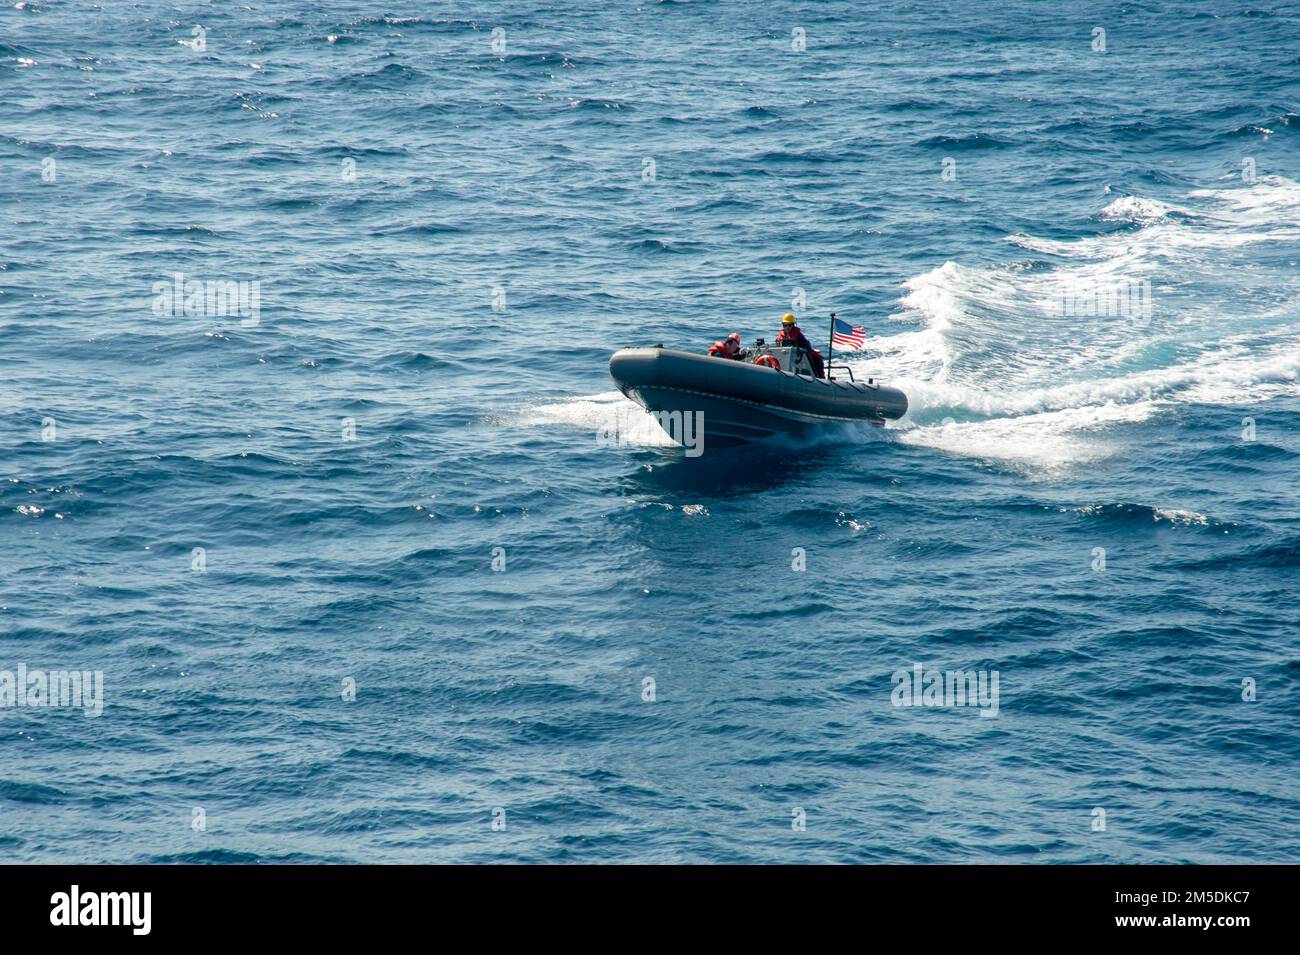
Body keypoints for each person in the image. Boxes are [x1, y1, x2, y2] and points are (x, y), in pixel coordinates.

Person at [775, 313, 824, 378]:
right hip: (784, 358)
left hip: (798, 357)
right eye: (785, 325)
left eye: (789, 325)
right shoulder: (780, 337)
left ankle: (819, 378)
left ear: (793, 325)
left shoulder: (798, 335)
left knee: (817, 359)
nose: (787, 327)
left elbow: (807, 346)